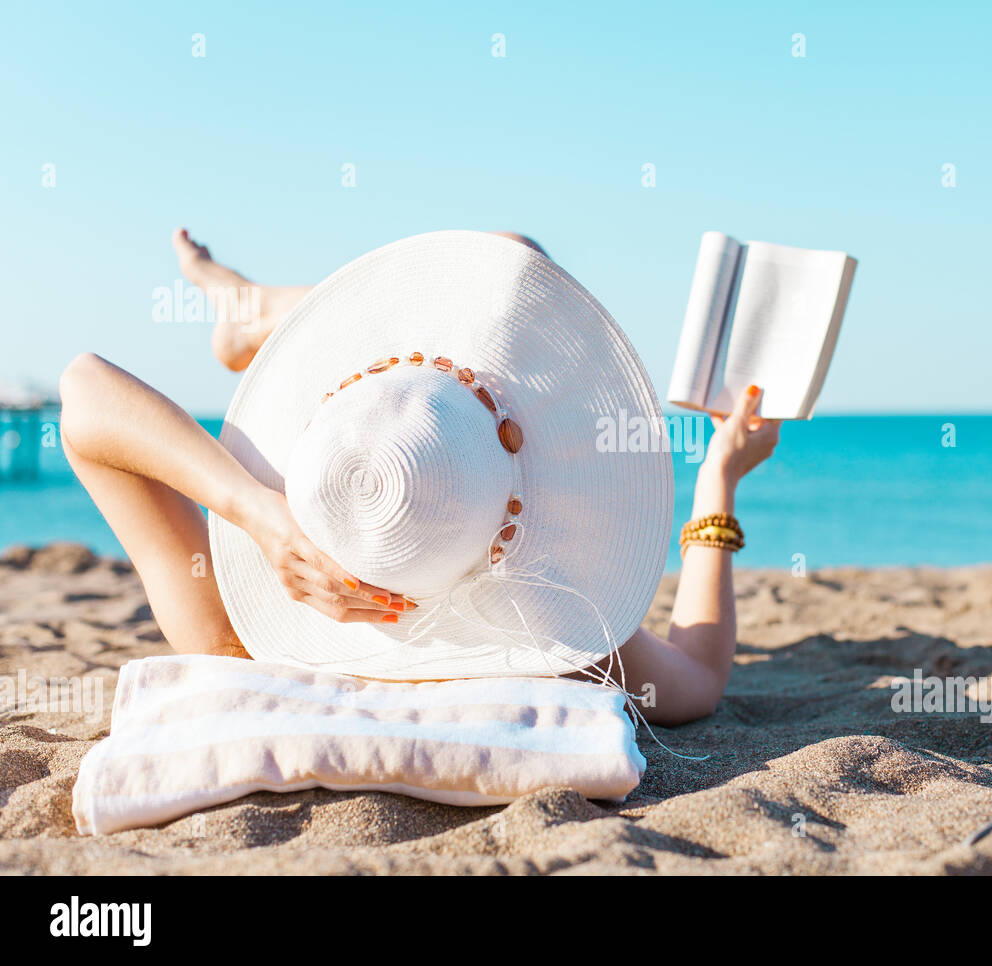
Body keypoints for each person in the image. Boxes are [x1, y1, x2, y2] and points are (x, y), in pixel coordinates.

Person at [58, 229, 780, 726]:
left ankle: (256, 314)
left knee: (507, 259)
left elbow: (84, 390)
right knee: (512, 256)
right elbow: (700, 674)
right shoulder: (557, 642)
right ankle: (259, 314)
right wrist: (720, 474)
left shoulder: (236, 641)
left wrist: (256, 512)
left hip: (287, 531)